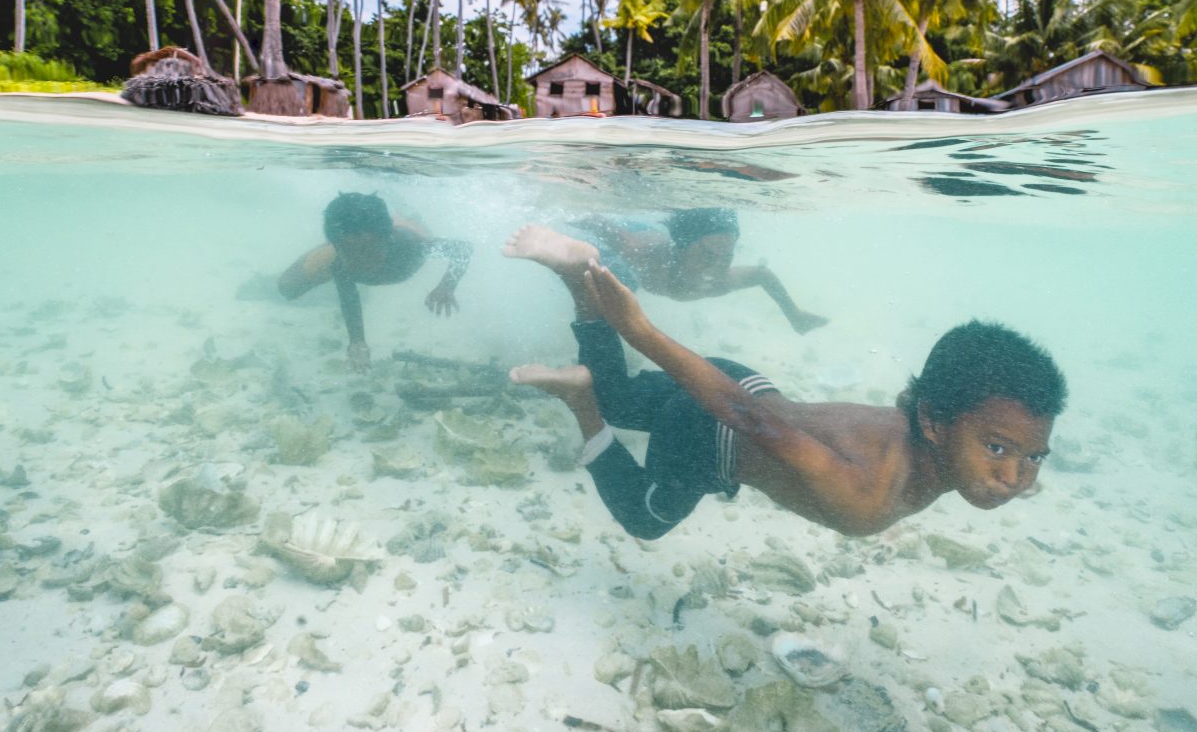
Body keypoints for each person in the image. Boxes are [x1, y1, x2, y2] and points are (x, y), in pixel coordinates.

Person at [503, 224, 1065, 539]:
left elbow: (763, 412)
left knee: (622, 397)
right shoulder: (867, 497)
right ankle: (582, 405)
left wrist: (1015, 460)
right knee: (645, 518)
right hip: (716, 429)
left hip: (744, 382)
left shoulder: (925, 421)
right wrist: (639, 330)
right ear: (934, 422)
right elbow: (753, 423)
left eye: (1034, 457)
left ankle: (577, 277)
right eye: (997, 449)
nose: (1013, 476)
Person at [276, 193, 471, 370]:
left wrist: (446, 286)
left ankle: (401, 203)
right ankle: (337, 248)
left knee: (400, 220)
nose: (362, 262)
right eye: (351, 253)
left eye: (370, 252)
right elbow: (348, 296)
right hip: (354, 241)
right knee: (286, 288)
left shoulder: (410, 246)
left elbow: (462, 249)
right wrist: (357, 341)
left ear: (388, 239)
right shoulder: (342, 260)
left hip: (407, 228)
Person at [571, 207, 828, 334]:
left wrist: (794, 315)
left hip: (664, 241)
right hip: (636, 232)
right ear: (680, 249)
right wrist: (568, 217)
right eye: (708, 255)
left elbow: (763, 275)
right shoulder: (644, 253)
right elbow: (598, 222)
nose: (718, 266)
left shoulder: (721, 279)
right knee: (613, 276)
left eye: (727, 255)